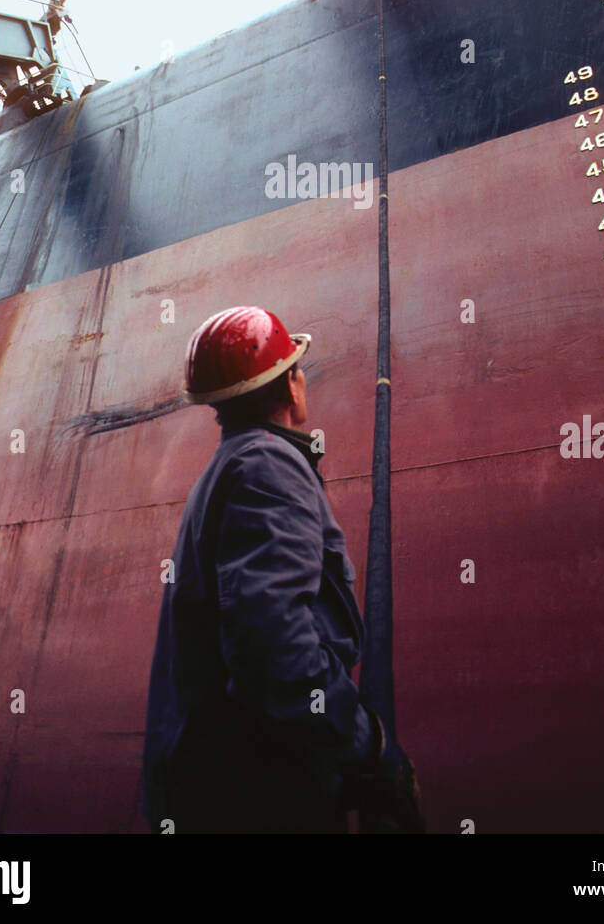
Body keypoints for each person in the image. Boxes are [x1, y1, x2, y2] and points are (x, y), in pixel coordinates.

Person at [142, 305, 424, 834]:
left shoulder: (229, 467)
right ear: (291, 386)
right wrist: (370, 748)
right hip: (261, 796)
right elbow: (274, 649)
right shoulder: (267, 467)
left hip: (218, 786)